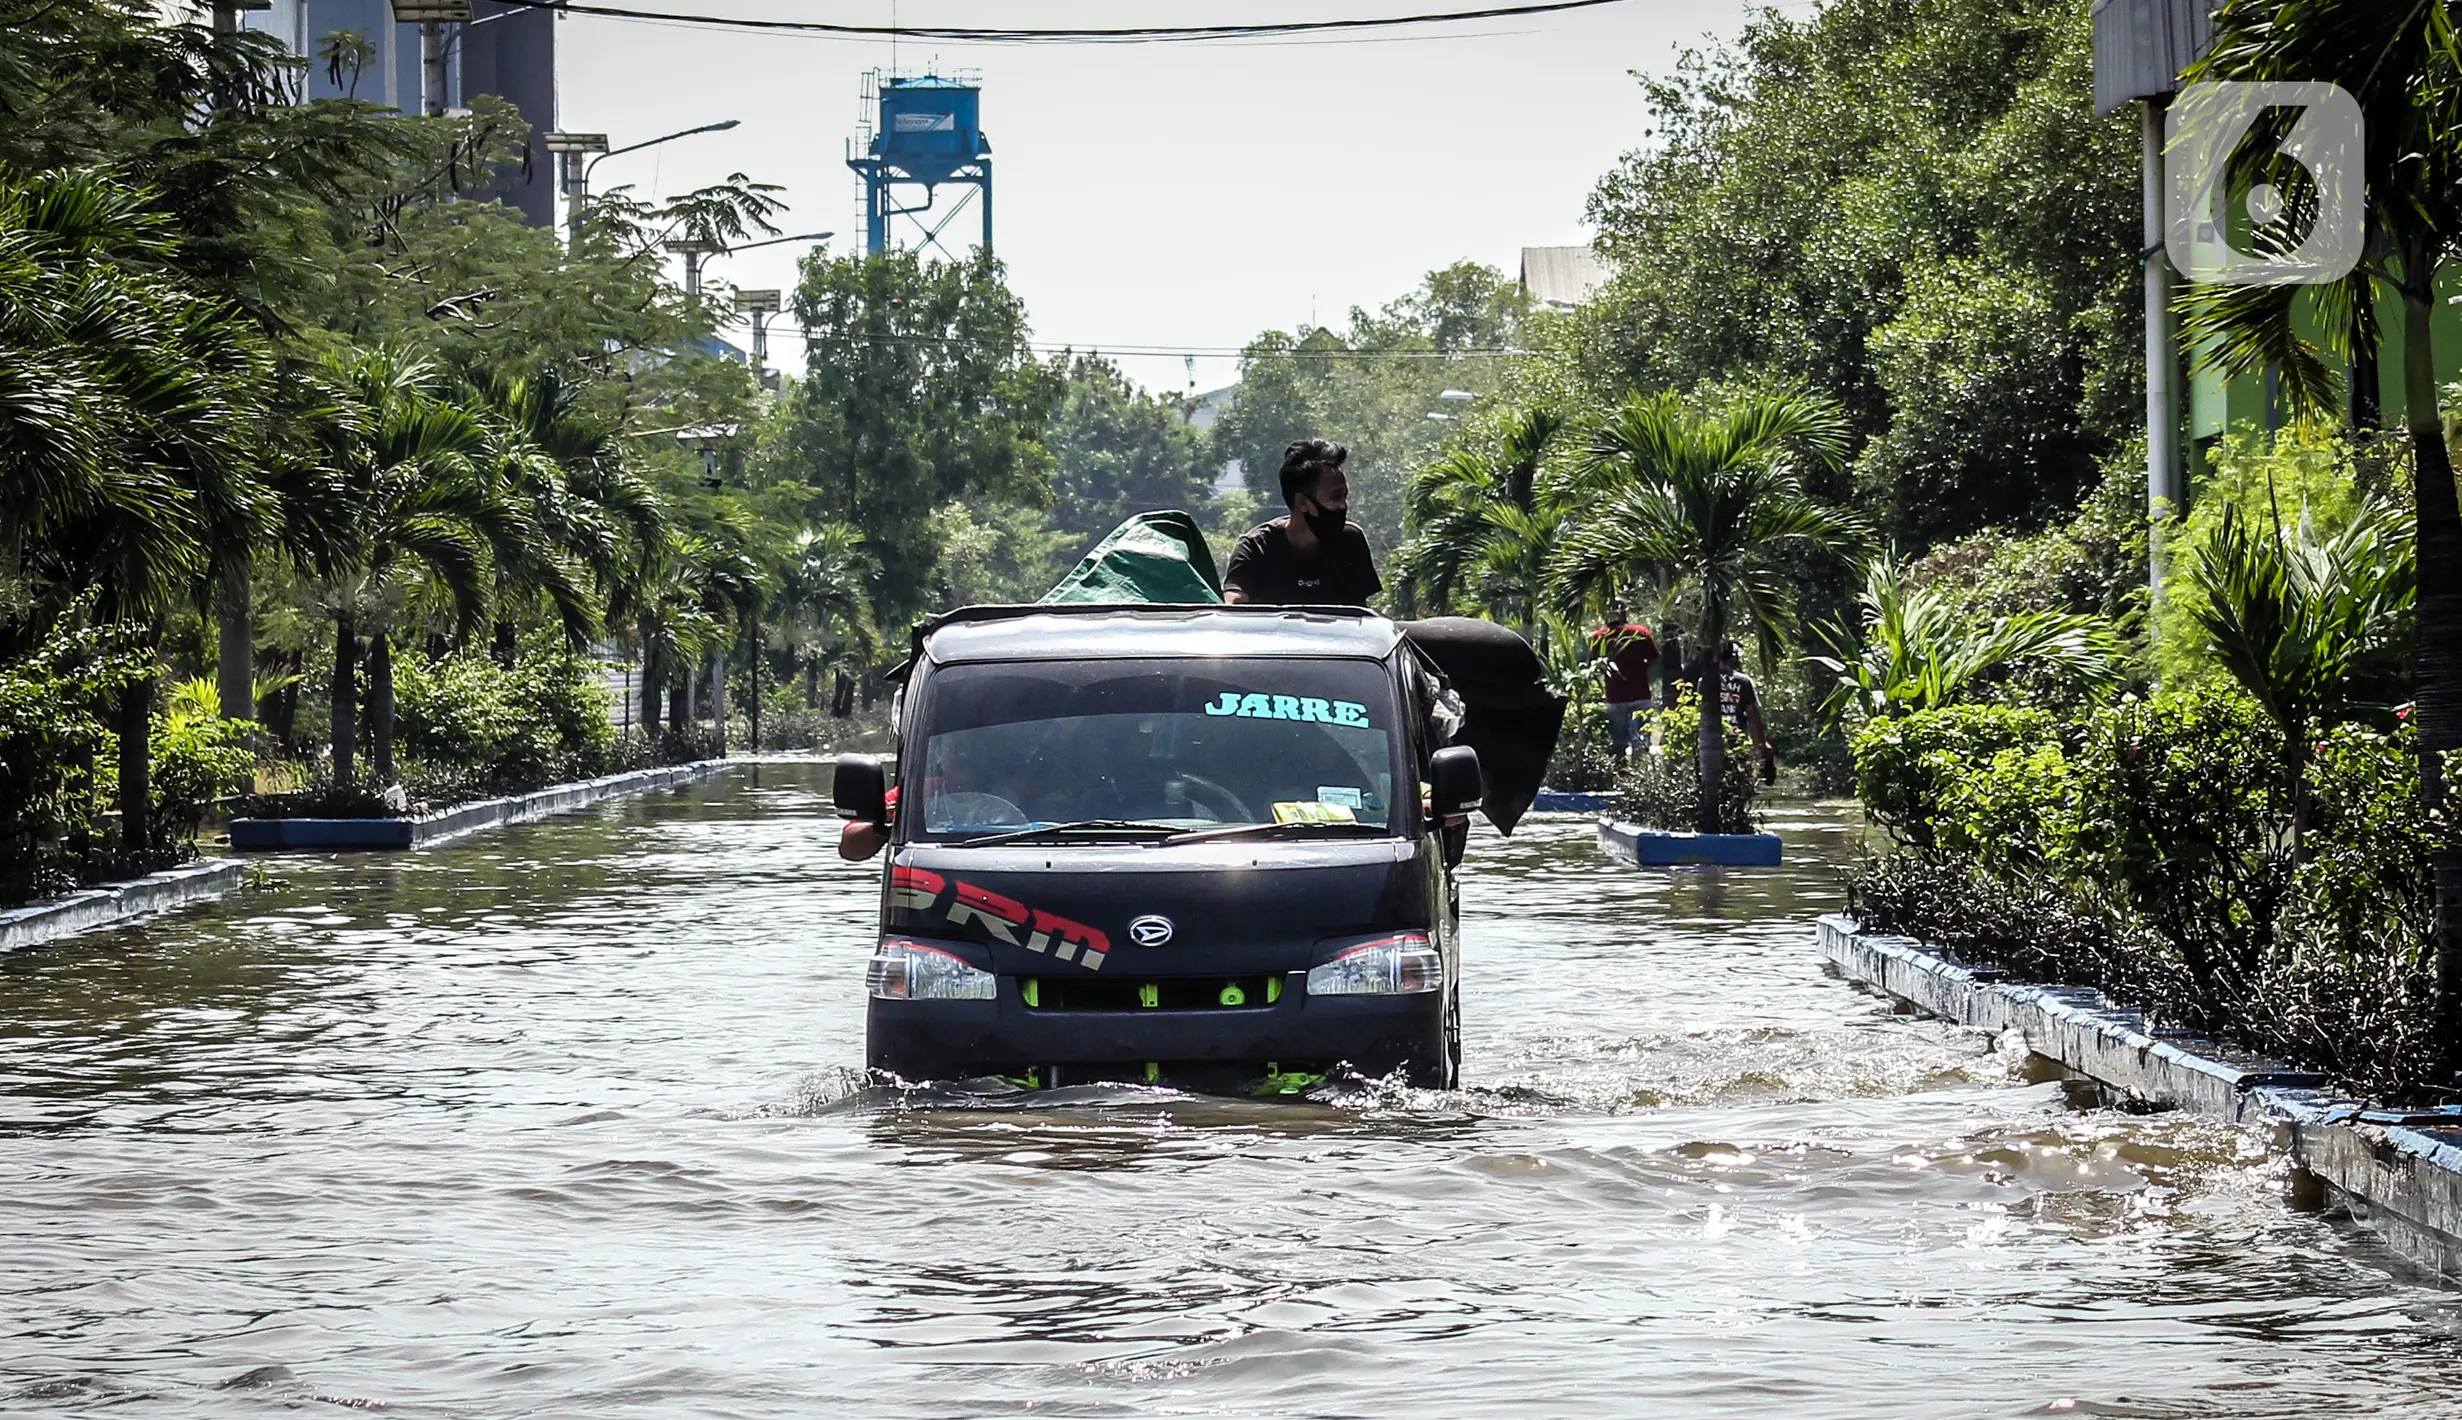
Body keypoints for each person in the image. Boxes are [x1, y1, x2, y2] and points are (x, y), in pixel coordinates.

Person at [1223, 439, 1382, 607]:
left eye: (1345, 496)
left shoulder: (1351, 540)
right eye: (1335, 497)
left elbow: (1361, 611)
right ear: (1302, 503)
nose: (1343, 505)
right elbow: (1234, 603)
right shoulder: (1256, 547)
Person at [1588, 604, 1657, 756]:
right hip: (1640, 694)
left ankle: (1620, 773)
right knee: (1641, 741)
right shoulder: (1640, 632)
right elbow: (1654, 658)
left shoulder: (1598, 636)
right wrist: (1640, 669)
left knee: (1618, 742)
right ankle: (1641, 774)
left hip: (1614, 696)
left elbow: (1593, 665)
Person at [1717, 640, 1777, 783]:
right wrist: (1761, 746)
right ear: (1733, 657)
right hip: (1737, 739)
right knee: (1739, 781)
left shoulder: (1705, 680)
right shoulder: (1743, 681)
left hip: (1711, 741)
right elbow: (1753, 716)